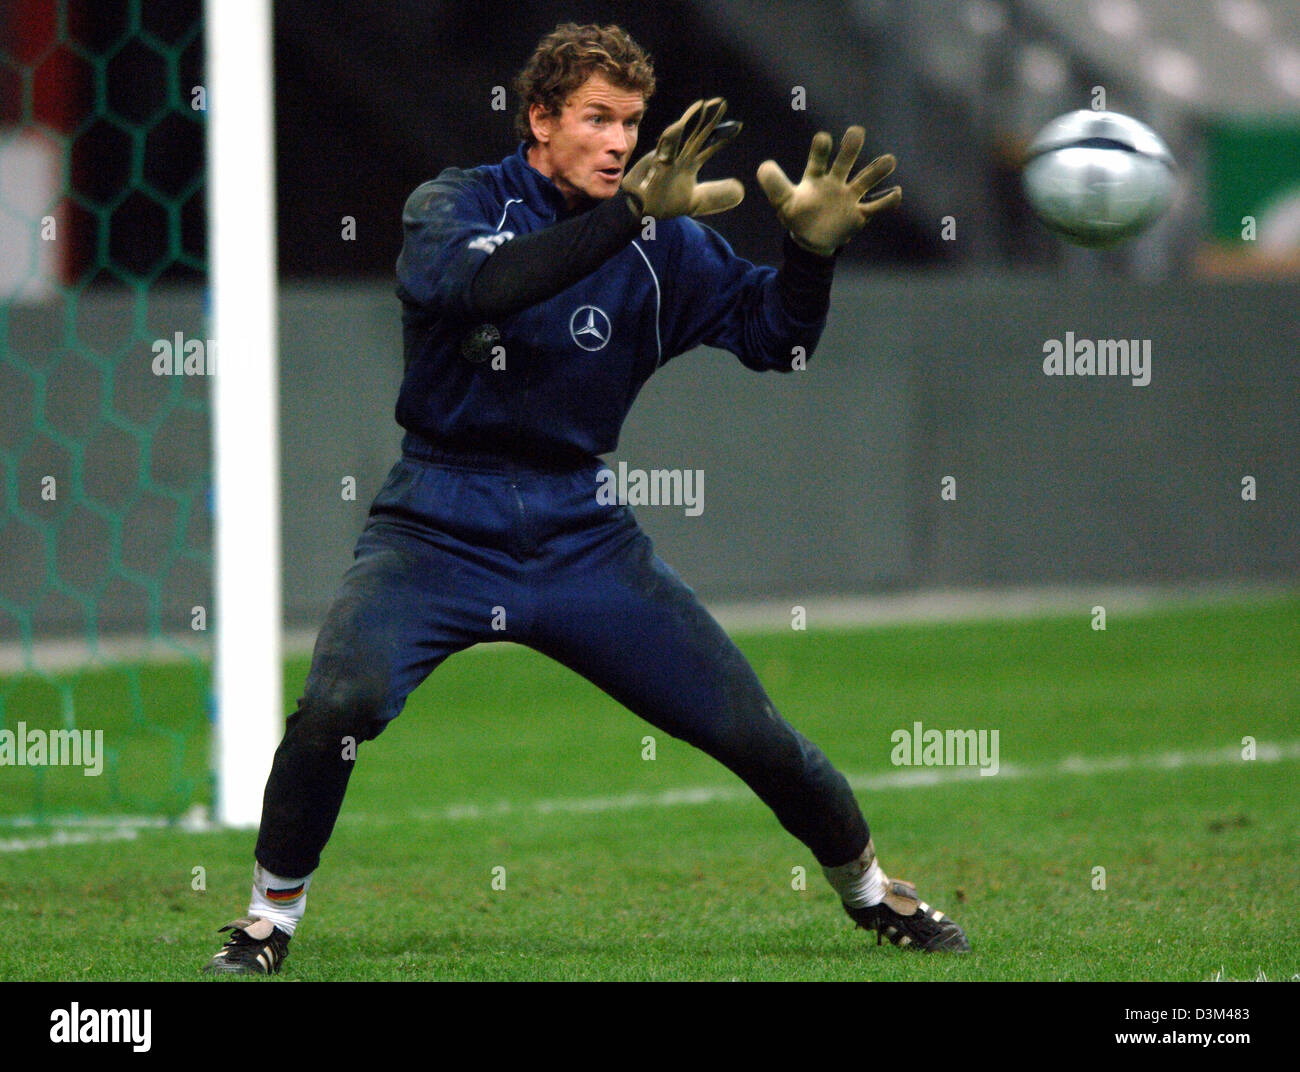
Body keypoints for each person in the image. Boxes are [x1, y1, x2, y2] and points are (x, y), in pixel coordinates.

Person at [202, 22, 968, 976]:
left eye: (632, 122)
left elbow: (780, 340)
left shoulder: (665, 247)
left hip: (579, 532)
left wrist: (809, 255)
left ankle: (871, 891)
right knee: (337, 704)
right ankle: (269, 919)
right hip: (438, 518)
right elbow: (487, 288)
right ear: (538, 120)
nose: (618, 141)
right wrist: (628, 218)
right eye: (597, 119)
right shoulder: (456, 204)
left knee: (753, 734)